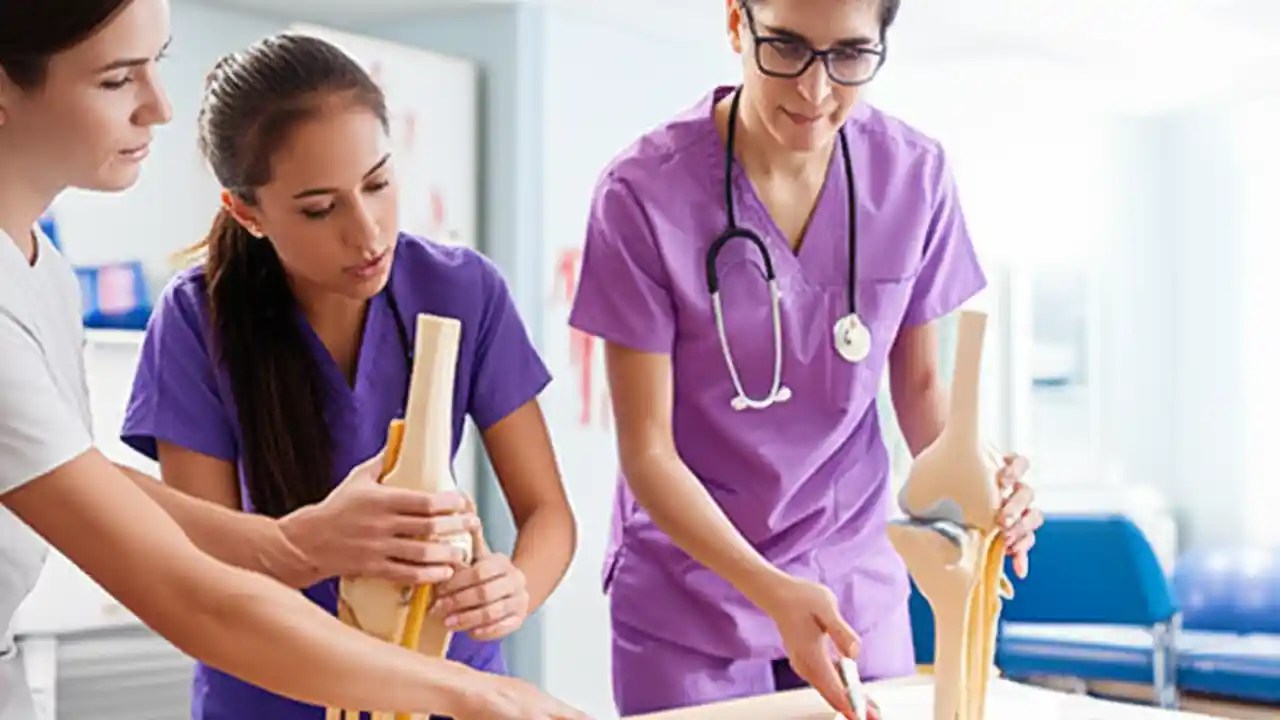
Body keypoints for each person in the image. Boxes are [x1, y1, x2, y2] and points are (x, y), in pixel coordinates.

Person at [0, 2, 586, 718]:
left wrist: (508, 596)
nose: (159, 108)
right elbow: (194, 582)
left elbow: (89, 482)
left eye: (377, 182)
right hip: (276, 683)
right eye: (119, 78)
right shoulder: (196, 319)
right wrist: (303, 546)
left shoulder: (42, 275)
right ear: (248, 212)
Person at [567, 0, 1044, 717]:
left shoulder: (913, 177)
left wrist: (982, 481)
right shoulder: (642, 194)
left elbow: (919, 389)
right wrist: (770, 588)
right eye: (785, 47)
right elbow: (647, 452)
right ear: (737, 23)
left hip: (852, 580)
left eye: (850, 55)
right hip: (690, 597)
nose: (814, 91)